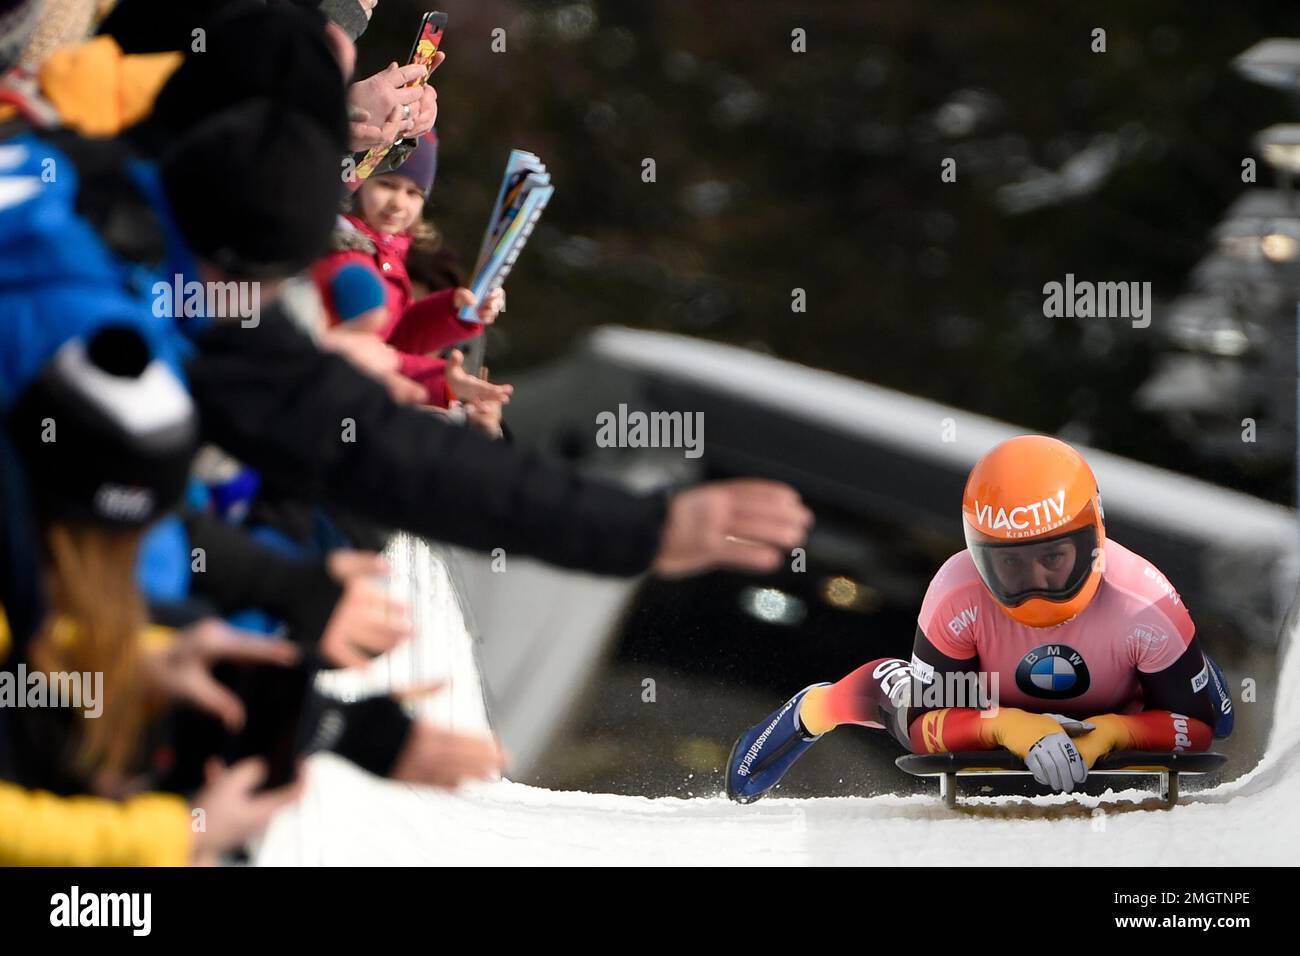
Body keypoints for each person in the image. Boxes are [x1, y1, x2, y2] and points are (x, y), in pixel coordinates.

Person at [726, 435, 1235, 802]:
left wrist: (1112, 733)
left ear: (1093, 538)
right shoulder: (958, 592)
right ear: (979, 553)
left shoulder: (1144, 601)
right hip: (987, 694)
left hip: (1122, 693)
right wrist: (1008, 725)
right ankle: (816, 707)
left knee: (1221, 713)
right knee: (901, 706)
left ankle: (1190, 665)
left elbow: (1199, 728)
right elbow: (925, 724)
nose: (1037, 584)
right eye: (1011, 564)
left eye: (1054, 559)